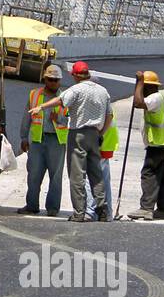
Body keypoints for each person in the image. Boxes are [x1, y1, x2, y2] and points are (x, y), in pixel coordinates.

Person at [31, 60, 112, 222]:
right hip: (95, 134)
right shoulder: (103, 91)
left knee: (77, 175)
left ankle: (79, 212)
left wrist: (42, 107)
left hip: (78, 134)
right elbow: (109, 115)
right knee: (95, 173)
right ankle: (103, 209)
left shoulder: (76, 89)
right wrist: (101, 132)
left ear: (74, 75)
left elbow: (60, 101)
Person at [18, 64, 68, 216]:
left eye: (56, 80)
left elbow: (73, 120)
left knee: (55, 176)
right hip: (38, 141)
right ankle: (31, 205)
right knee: (33, 174)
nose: (53, 83)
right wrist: (23, 137)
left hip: (56, 141)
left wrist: (59, 119)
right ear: (45, 79)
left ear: (60, 81)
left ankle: (53, 208)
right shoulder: (34, 95)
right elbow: (27, 117)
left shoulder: (66, 97)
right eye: (50, 79)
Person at [128, 70, 164, 221]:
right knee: (161, 179)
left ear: (148, 86)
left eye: (144, 86)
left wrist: (139, 83)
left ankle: (146, 208)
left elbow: (137, 103)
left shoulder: (154, 98)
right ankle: (163, 209)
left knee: (148, 175)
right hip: (161, 144)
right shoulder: (160, 98)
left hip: (156, 145)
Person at [85, 103, 118, 221]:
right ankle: (108, 213)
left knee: (91, 180)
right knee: (104, 181)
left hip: (98, 147)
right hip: (107, 147)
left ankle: (91, 212)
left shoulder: (96, 109)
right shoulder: (106, 107)